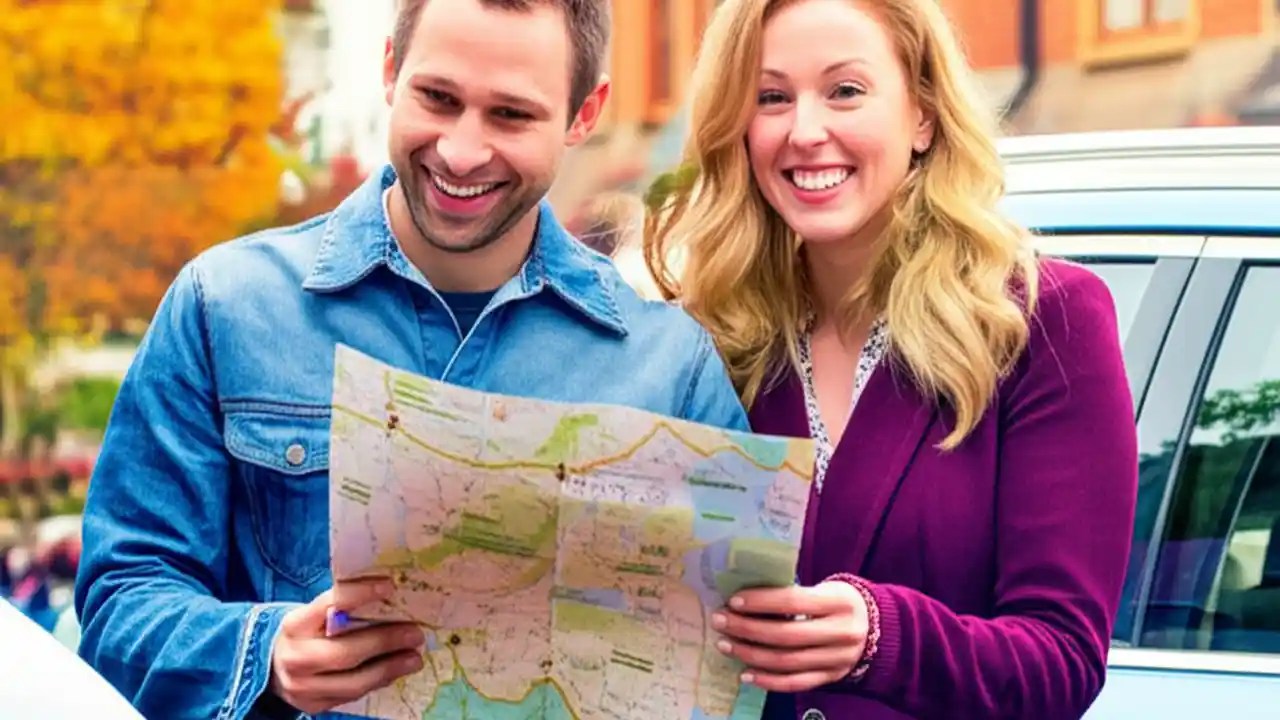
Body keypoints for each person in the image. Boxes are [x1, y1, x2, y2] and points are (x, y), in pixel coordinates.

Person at [73, 1, 748, 718]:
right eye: (439, 97)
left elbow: (732, 659)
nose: (460, 152)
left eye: (511, 116)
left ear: (585, 114)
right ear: (391, 69)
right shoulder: (225, 308)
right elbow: (119, 607)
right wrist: (264, 652)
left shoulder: (671, 368)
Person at [643, 1, 1139, 719]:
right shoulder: (715, 341)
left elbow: (1061, 659)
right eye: (772, 97)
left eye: (845, 91)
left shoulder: (1040, 321)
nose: (805, 132)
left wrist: (883, 637)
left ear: (923, 116)